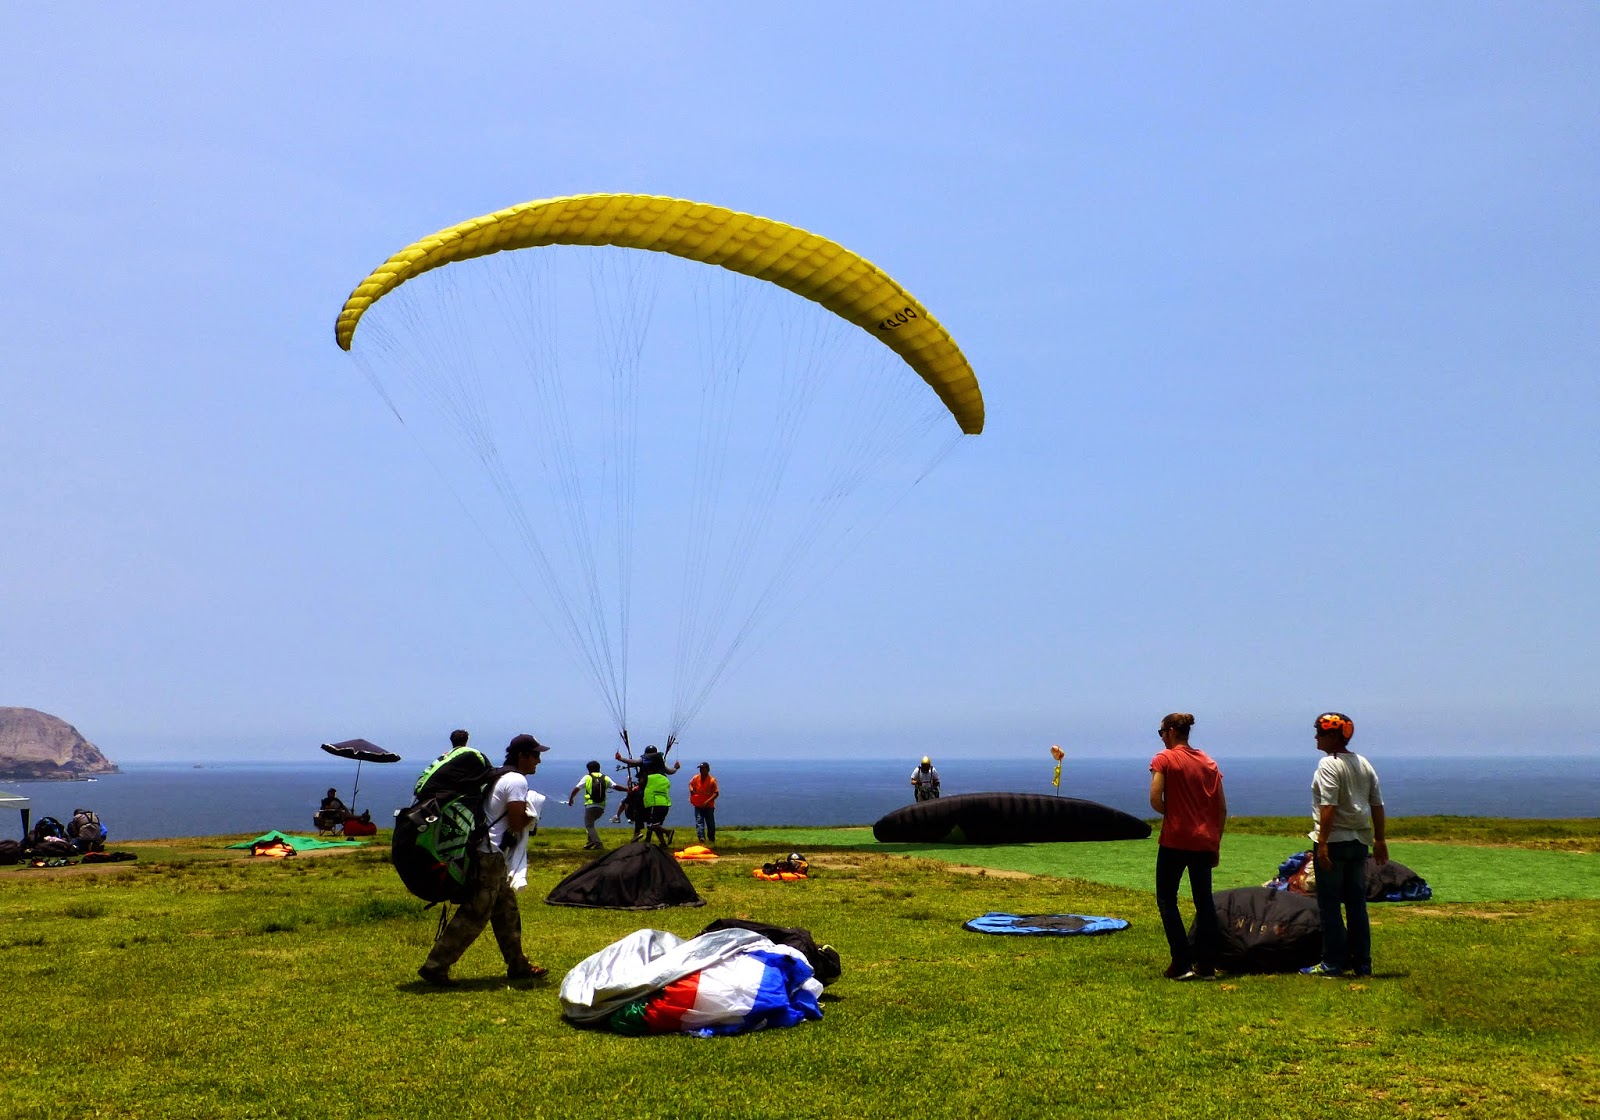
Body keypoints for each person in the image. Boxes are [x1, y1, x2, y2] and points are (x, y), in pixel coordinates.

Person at [418, 733, 550, 986]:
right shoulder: (516, 781)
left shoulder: (500, 775)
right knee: (474, 914)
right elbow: (515, 822)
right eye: (535, 755)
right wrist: (533, 813)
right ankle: (435, 966)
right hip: (489, 856)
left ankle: (518, 965)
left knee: (507, 911)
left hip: (489, 854)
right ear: (522, 756)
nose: (539, 761)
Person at [1301, 712, 1387, 978]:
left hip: (1335, 841)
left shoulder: (1328, 765)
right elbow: (1376, 804)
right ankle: (1363, 962)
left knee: (1329, 904)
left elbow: (1328, 805)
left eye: (1320, 732)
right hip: (1358, 841)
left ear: (1334, 736)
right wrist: (1380, 839)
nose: (1316, 737)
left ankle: (1332, 962)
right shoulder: (1363, 763)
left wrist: (1323, 843)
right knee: (1356, 903)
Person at [1148, 712, 1227, 981]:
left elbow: (1155, 799)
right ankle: (1207, 964)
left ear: (1170, 731)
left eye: (1161, 733)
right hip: (1204, 841)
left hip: (1175, 838)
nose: (1161, 739)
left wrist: (1173, 813)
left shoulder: (1165, 759)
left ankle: (1181, 962)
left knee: (1167, 898)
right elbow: (1221, 808)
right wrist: (1215, 841)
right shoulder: (1208, 762)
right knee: (1204, 902)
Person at [567, 760, 622, 850]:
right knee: (591, 823)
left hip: (590, 805)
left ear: (588, 770)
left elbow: (576, 788)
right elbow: (616, 787)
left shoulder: (587, 777)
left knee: (589, 826)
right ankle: (590, 842)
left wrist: (571, 799)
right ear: (599, 768)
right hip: (601, 807)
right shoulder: (605, 778)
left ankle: (598, 844)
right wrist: (628, 789)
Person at [638, 744, 680, 846]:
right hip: (664, 803)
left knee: (651, 824)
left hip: (653, 802)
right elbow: (670, 771)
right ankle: (661, 843)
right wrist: (675, 767)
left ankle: (667, 832)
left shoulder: (649, 777)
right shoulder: (664, 778)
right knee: (657, 824)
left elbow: (641, 785)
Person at [688, 761, 720, 845]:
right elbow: (690, 784)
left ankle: (711, 838)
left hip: (708, 806)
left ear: (708, 769)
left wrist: (707, 801)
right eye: (701, 769)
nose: (701, 771)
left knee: (710, 823)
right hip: (698, 804)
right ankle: (701, 837)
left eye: (703, 769)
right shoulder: (696, 778)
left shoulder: (712, 780)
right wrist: (691, 789)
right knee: (699, 821)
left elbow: (716, 793)